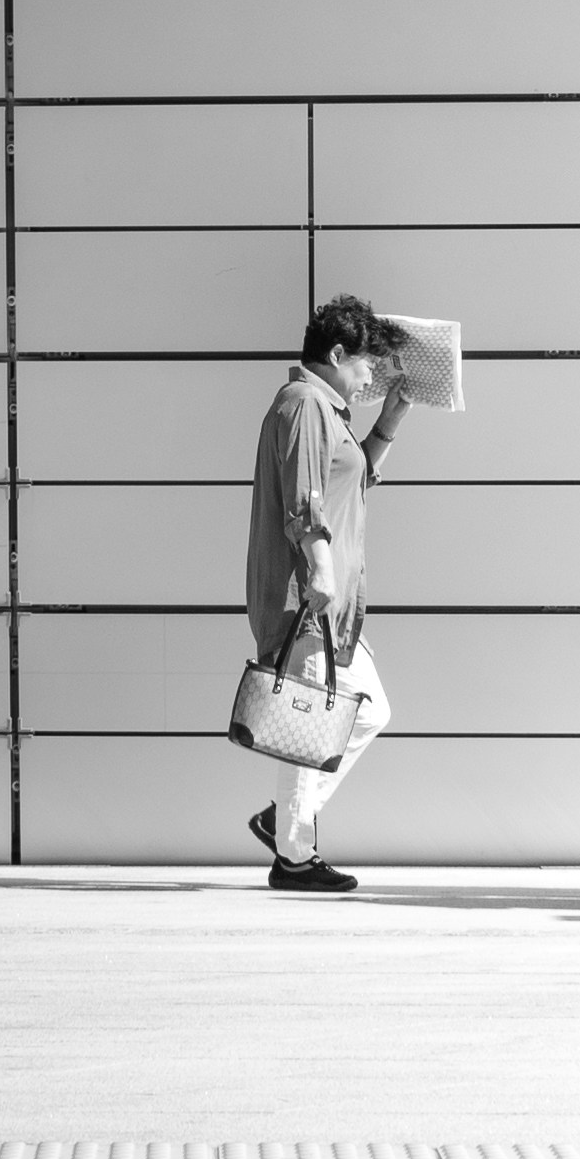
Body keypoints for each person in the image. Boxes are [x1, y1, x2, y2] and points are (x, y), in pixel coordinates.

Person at [242, 295, 409, 894]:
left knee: (370, 711)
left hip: (330, 601)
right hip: (308, 595)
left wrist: (392, 416)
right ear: (336, 354)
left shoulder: (327, 410)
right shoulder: (303, 403)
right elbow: (305, 498)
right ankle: (293, 857)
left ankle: (285, 820)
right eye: (368, 367)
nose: (372, 378)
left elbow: (352, 479)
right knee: (308, 725)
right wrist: (318, 569)